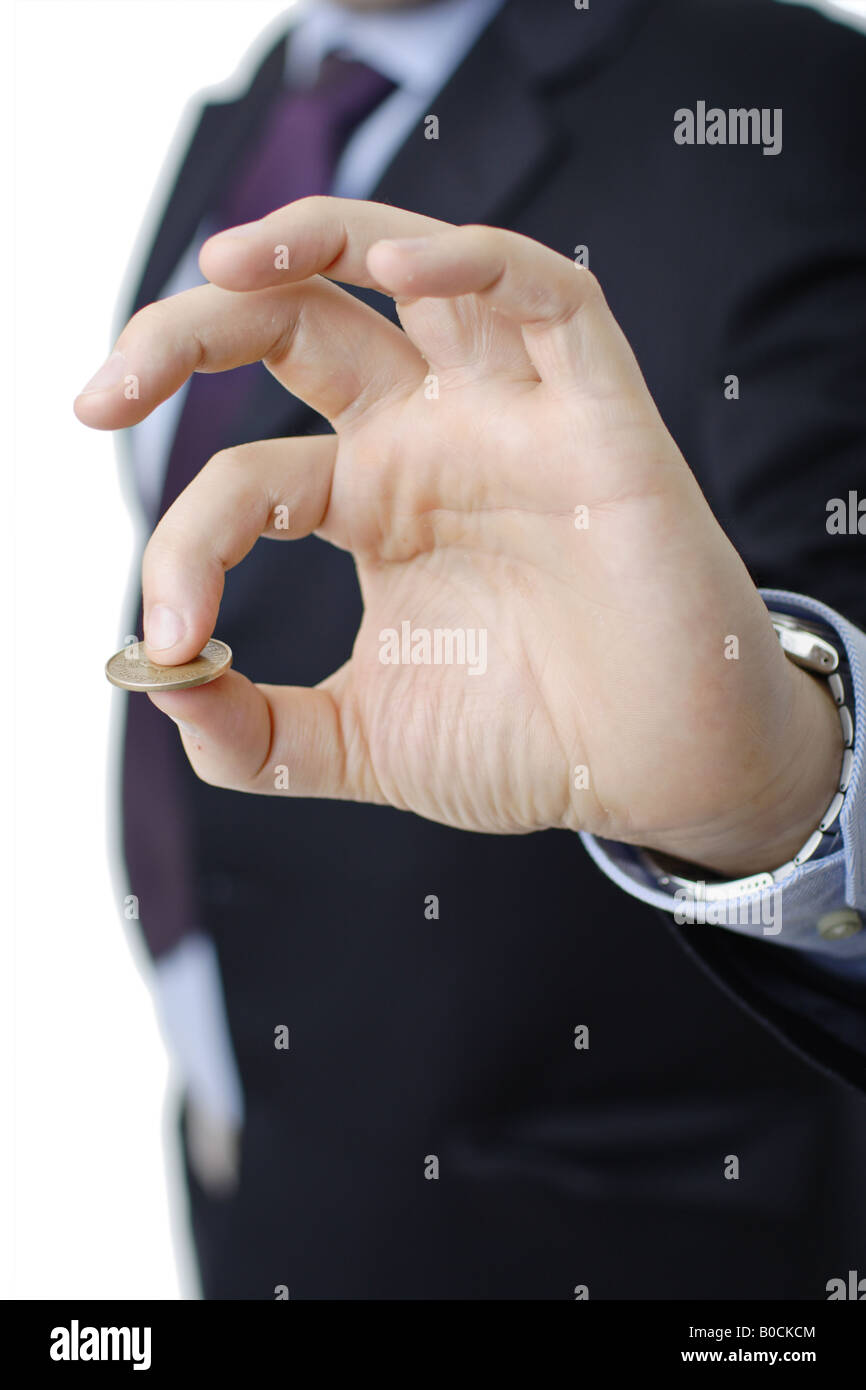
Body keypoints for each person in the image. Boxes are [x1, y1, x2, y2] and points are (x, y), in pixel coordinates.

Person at [76, 0, 866, 1299]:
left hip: (611, 1241)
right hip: (256, 1167)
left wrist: (780, 785)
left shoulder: (782, 93)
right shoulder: (268, 98)